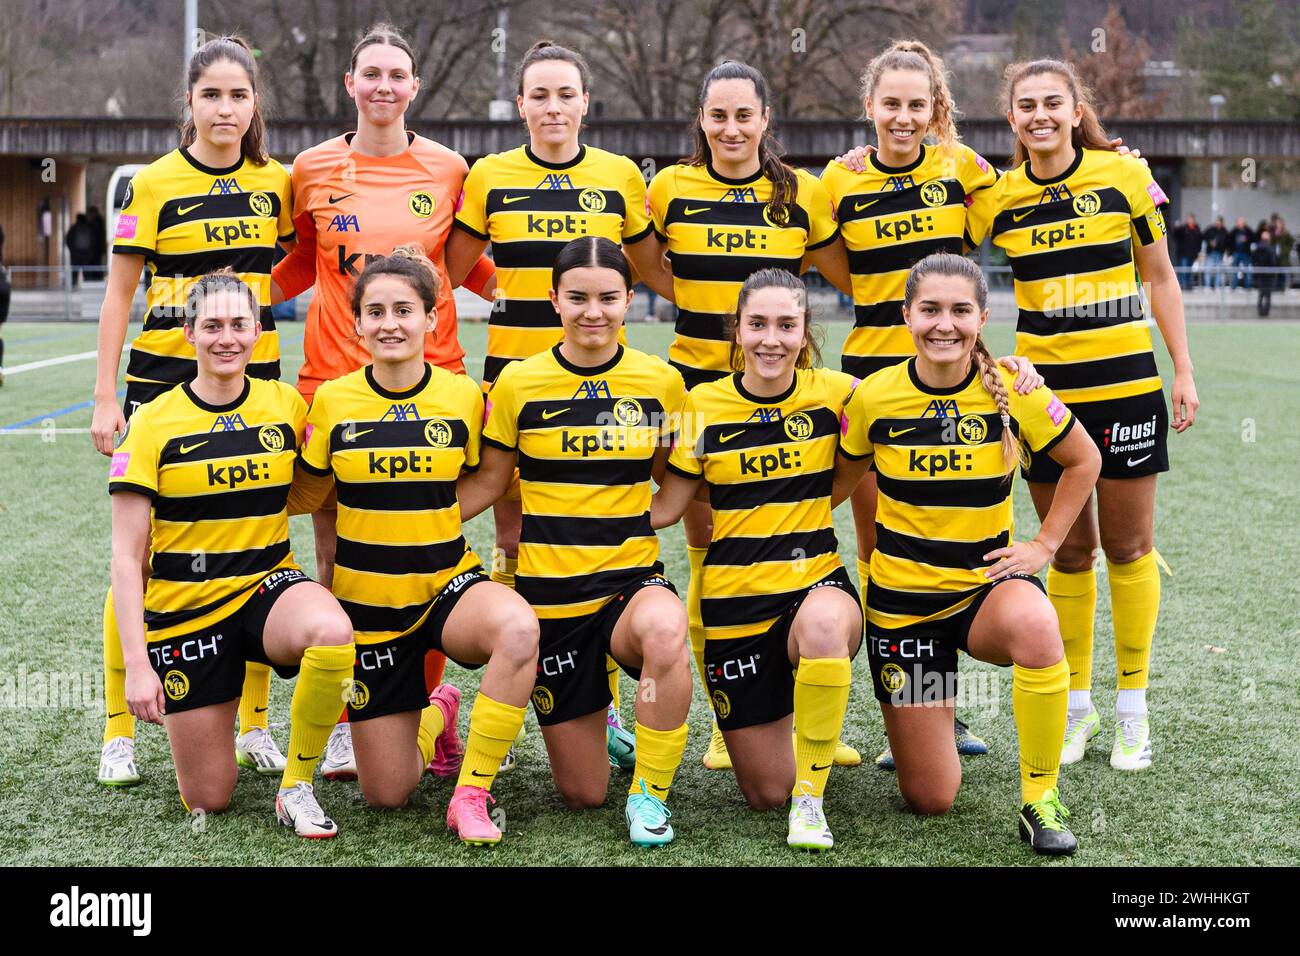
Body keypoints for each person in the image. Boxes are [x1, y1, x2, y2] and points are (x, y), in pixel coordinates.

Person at [271, 22, 496, 782]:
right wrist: (210, 303)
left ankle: (430, 705)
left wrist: (558, 307)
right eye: (370, 74)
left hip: (435, 383)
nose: (383, 87)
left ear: (414, 86)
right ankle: (344, 712)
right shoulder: (309, 168)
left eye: (397, 74)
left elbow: (472, 266)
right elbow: (297, 263)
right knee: (338, 558)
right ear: (350, 84)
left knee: (427, 554)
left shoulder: (449, 167)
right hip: (331, 388)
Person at [965, 58, 1199, 772]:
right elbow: (938, 263)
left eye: (1051, 103)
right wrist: (993, 366)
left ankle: (1133, 708)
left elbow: (1160, 275)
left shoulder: (1124, 177)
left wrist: (1182, 369)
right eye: (1025, 105)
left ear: (1074, 111)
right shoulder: (996, 198)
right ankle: (1076, 707)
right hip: (1045, 396)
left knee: (1128, 548)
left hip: (1127, 384)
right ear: (1011, 119)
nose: (1039, 115)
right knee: (1067, 549)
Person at [446, 40, 672, 770]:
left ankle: (598, 712)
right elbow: (451, 268)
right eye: (538, 95)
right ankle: (516, 690)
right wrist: (503, 292)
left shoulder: (616, 177)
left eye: (564, 94)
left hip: (608, 386)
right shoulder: (489, 175)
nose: (552, 107)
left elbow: (650, 268)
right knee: (518, 541)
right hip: (516, 385)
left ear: (584, 101)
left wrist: (742, 307)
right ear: (521, 105)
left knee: (598, 545)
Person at [821, 40, 1046, 769]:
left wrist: (1112, 150)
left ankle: (941, 719)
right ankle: (912, 709)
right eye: (890, 104)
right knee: (884, 547)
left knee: (959, 535)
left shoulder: (961, 169)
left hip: (955, 370)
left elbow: (1028, 184)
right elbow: (819, 248)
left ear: (935, 109)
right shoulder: (838, 179)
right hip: (872, 381)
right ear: (869, 108)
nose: (903, 116)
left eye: (917, 104)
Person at [834, 252, 1100, 854]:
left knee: (1037, 622)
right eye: (929, 310)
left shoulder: (1014, 388)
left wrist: (1044, 545)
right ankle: (933, 723)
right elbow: (835, 488)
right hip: (905, 607)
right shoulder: (874, 398)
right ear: (906, 316)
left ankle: (1041, 798)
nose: (943, 325)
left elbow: (1086, 460)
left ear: (982, 317)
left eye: (959, 310)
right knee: (931, 800)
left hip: (985, 592)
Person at [90, 35, 296, 788]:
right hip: (156, 394)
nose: (225, 108)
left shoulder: (278, 181)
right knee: (140, 561)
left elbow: (299, 261)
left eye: (238, 96)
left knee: (257, 548)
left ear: (253, 106)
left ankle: (254, 726)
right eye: (211, 94)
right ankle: (119, 729)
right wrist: (108, 394)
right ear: (189, 102)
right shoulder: (150, 183)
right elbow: (118, 294)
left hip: (257, 383)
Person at [644, 59, 859, 772]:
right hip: (698, 392)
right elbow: (645, 264)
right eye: (717, 116)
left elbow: (851, 272)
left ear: (766, 120)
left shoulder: (803, 192)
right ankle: (725, 714)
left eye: (744, 115)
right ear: (701, 122)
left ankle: (802, 710)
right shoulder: (669, 187)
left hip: (781, 385)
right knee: (715, 549)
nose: (731, 128)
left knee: (785, 535)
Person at [294, 248, 539, 845]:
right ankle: (441, 711)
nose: (389, 323)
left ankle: (472, 794)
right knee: (388, 794)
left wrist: (433, 513)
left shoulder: (460, 397)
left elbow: (487, 477)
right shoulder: (331, 401)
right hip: (369, 607)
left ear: (433, 318)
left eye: (405, 309)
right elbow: (311, 493)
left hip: (447, 584)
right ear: (356, 324)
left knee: (518, 628)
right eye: (374, 311)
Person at [458, 237, 693, 847]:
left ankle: (649, 794)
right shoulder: (516, 384)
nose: (594, 311)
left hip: (629, 585)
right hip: (551, 601)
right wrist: (404, 518)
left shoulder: (663, 384)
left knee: (668, 630)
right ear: (554, 299)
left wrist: (651, 514)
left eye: (609, 298)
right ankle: (604, 731)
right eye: (579, 298)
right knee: (583, 793)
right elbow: (487, 481)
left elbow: (678, 481)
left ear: (631, 301)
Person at [109, 269, 355, 837]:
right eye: (212, 325)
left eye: (239, 325)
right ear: (188, 332)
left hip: (266, 587)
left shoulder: (285, 405)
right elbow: (125, 559)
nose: (227, 338)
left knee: (333, 630)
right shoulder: (150, 423)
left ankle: (296, 784)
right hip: (186, 610)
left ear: (257, 332)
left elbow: (316, 483)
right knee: (209, 798)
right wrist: (139, 667)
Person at [652, 269, 862, 851]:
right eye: (758, 325)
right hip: (734, 606)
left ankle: (812, 801)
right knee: (766, 790)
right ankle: (795, 747)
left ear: (804, 332)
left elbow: (917, 389)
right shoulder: (700, 406)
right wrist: (576, 510)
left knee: (821, 625)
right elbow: (668, 506)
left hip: (815, 584)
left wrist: (1009, 375)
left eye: (787, 326)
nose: (772, 339)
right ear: (737, 331)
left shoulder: (839, 393)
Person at [65, 213, 97, 287]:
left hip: (79, 254)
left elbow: (68, 239)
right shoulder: (86, 228)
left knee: (79, 272)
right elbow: (93, 241)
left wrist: (72, 250)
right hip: (82, 254)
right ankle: (85, 287)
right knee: (84, 272)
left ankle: (77, 286)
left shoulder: (76, 228)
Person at [1251, 229, 1279, 316]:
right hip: (1269, 275)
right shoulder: (1271, 249)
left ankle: (1260, 312)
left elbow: (1253, 260)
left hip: (1260, 274)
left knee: (1261, 294)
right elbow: (1273, 262)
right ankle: (1265, 313)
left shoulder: (1257, 248)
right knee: (1268, 295)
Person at [1171, 214, 1202, 290]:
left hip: (1192, 254)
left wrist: (1198, 252)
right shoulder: (1183, 229)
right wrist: (1177, 227)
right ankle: (1182, 285)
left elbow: (1199, 241)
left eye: (1191, 219)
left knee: (1189, 270)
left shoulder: (1197, 229)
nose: (1190, 221)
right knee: (1183, 270)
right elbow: (1175, 235)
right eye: (1189, 219)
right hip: (1183, 254)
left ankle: (1188, 285)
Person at [1202, 215, 1228, 289]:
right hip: (1210, 253)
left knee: (1219, 271)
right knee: (1207, 269)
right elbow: (1204, 236)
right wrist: (1210, 242)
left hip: (1219, 253)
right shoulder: (1210, 229)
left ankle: (1217, 286)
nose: (1217, 223)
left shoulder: (1224, 231)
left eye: (1219, 221)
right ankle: (1207, 286)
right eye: (1217, 221)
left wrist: (1219, 245)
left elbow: (1226, 242)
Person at [1229, 216, 1255, 289]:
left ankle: (1248, 287)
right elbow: (1229, 241)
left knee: (1247, 271)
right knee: (1235, 271)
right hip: (1236, 253)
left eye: (1241, 222)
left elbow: (1253, 238)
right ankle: (1233, 286)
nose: (1240, 224)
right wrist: (1231, 251)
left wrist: (1247, 239)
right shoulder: (1234, 231)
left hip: (1246, 253)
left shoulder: (1248, 231)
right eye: (1239, 222)